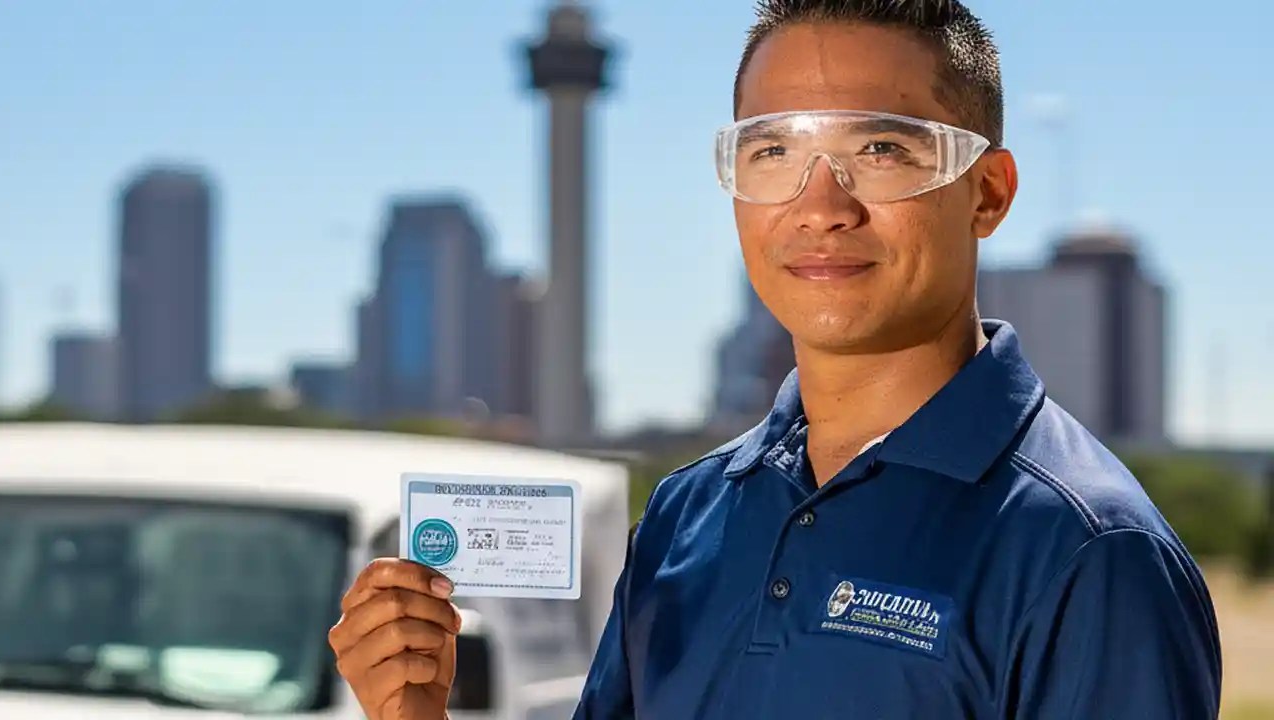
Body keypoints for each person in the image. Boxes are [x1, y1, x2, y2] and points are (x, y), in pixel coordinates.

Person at [328, 0, 1224, 717]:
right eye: (773, 151)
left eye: (880, 149)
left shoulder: (1091, 554)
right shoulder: (686, 517)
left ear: (986, 192)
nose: (819, 204)